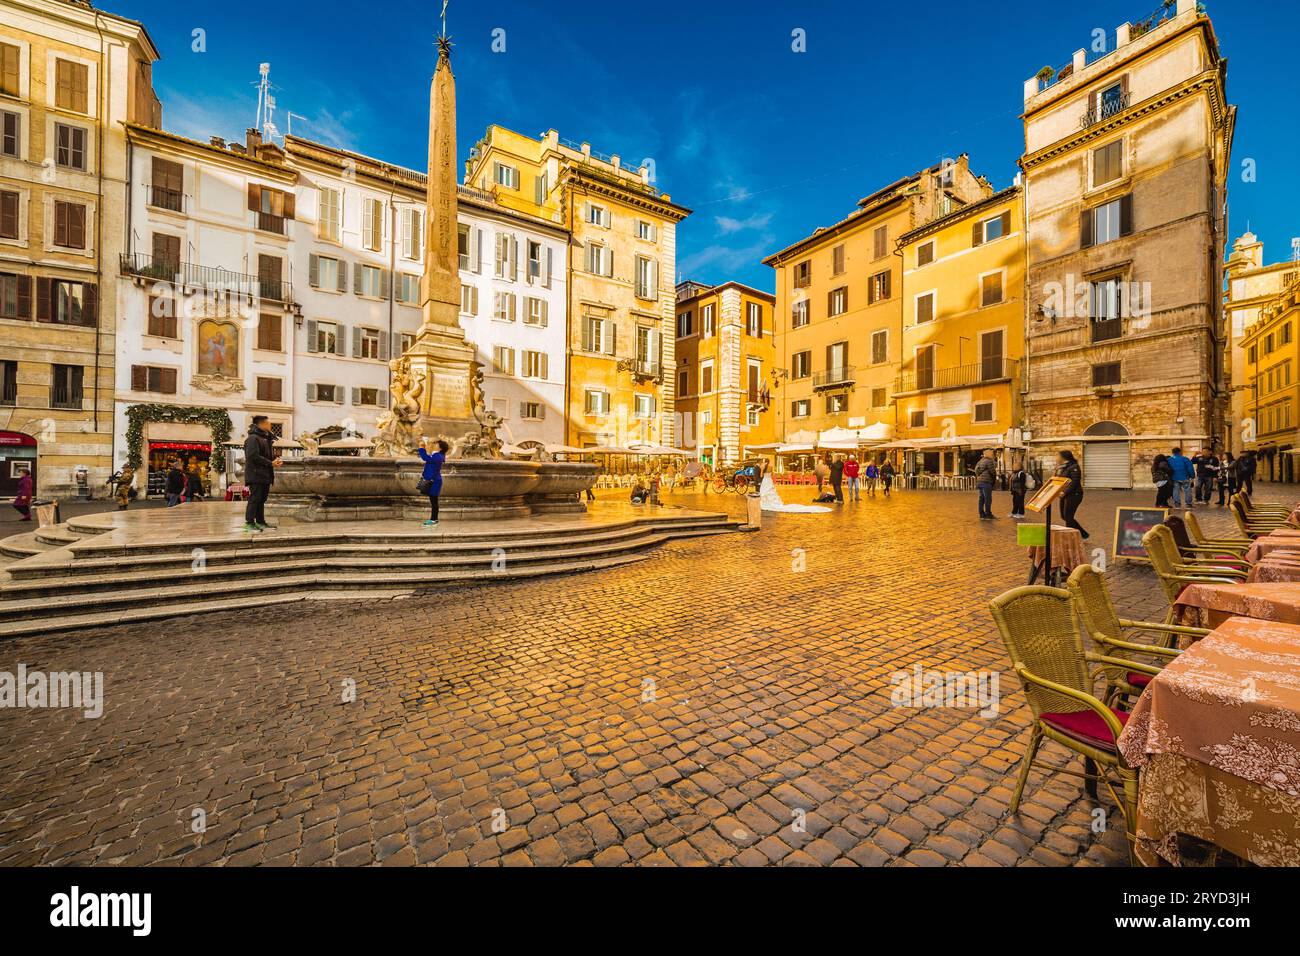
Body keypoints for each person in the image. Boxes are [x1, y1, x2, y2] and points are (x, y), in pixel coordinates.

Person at [243, 415, 282, 532]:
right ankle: (249, 523)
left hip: (264, 475)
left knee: (261, 499)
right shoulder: (253, 438)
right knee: (254, 499)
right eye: (267, 423)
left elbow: (265, 455)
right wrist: (271, 463)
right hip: (256, 475)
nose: (270, 425)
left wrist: (276, 459)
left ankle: (260, 522)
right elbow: (252, 456)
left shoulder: (265, 438)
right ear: (261, 424)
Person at [417, 437, 449, 526]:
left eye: (436, 444)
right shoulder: (437, 455)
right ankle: (434, 519)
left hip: (435, 481)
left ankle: (433, 519)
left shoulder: (438, 456)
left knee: (434, 501)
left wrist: (421, 448)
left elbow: (425, 458)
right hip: (434, 480)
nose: (435, 444)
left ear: (440, 448)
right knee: (433, 501)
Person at [1056, 449, 1087, 540]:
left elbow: (1075, 482)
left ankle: (1070, 537)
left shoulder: (1074, 467)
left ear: (1063, 457)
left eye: (1057, 456)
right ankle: (1083, 534)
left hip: (1074, 495)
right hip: (1065, 495)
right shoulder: (1064, 467)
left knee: (1068, 517)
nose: (1056, 458)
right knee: (1064, 516)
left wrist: (1064, 492)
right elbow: (1059, 480)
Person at [974, 449, 997, 520]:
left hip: (980, 482)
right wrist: (994, 480)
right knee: (988, 499)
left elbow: (976, 471)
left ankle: (981, 514)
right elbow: (992, 472)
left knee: (981, 499)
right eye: (993, 454)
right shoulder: (989, 461)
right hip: (986, 482)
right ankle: (988, 514)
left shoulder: (980, 461)